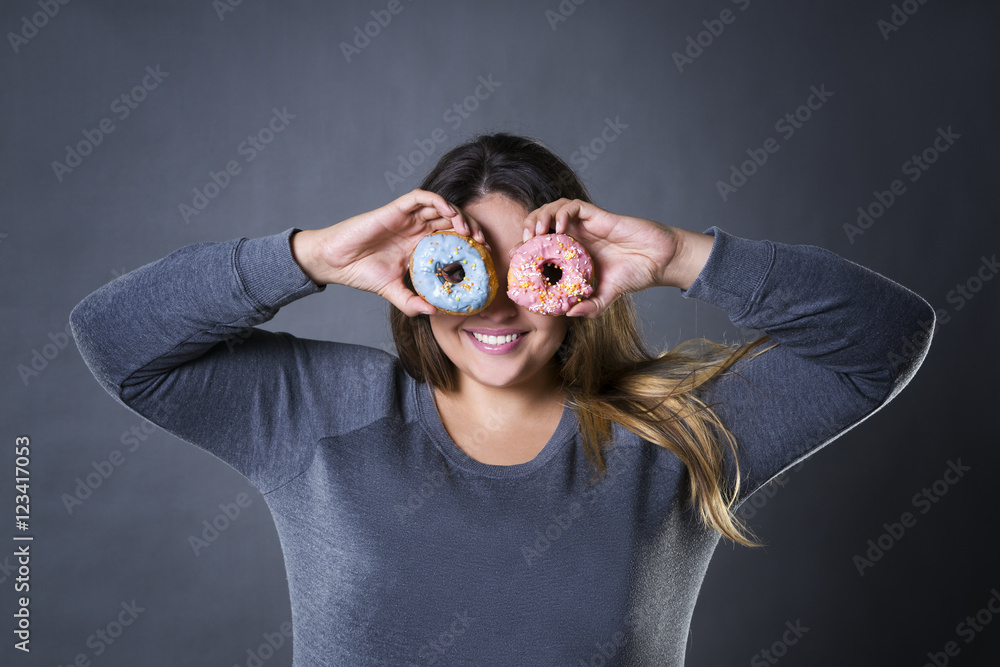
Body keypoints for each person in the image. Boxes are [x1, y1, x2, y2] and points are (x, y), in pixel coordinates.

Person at [71, 132, 934, 665]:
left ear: (577, 279)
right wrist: (309, 257)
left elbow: (884, 340)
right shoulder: (323, 415)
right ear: (421, 277)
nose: (495, 304)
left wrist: (679, 255)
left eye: (527, 266)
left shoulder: (671, 436)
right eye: (467, 265)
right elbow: (118, 340)